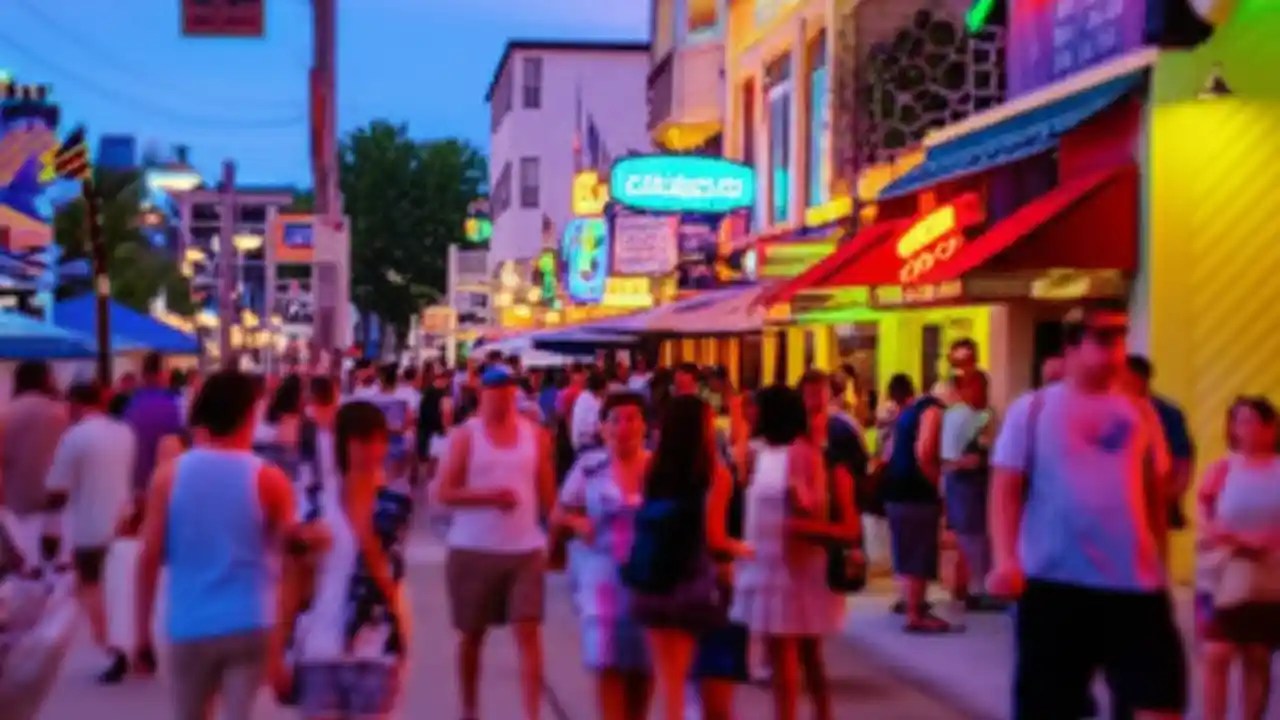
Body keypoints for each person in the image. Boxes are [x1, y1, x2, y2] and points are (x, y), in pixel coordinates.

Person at [989, 304, 1185, 720]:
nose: (1115, 349)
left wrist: (1159, 566)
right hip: (1054, 583)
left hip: (1132, 586)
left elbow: (1153, 496)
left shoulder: (1141, 412)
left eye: (1120, 337)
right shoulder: (1034, 409)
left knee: (1158, 703)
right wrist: (1006, 559)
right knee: (1049, 706)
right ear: (1071, 346)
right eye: (1103, 338)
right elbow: (1005, 489)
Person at [135, 370, 298, 720]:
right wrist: (286, 640)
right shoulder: (269, 480)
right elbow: (291, 562)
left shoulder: (168, 476)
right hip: (250, 620)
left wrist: (141, 632)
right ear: (250, 415)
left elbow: (148, 556)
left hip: (188, 622)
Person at [277, 401, 412, 720]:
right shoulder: (315, 505)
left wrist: (403, 652)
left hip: (374, 651)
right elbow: (292, 581)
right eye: (363, 440)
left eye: (380, 440)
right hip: (319, 650)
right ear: (343, 444)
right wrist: (277, 650)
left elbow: (390, 583)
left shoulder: (392, 506)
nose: (373, 449)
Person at [437, 364, 557, 720]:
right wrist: (489, 497)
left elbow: (548, 492)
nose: (503, 398)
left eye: (509, 390)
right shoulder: (466, 436)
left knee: (528, 630)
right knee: (472, 636)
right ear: (481, 395)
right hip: (473, 549)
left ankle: (531, 713)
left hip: (525, 549)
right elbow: (445, 492)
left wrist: (559, 533)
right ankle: (469, 709)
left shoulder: (535, 435)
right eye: (495, 391)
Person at [731, 384, 856, 720]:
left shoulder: (801, 452)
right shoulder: (764, 452)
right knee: (795, 654)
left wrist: (796, 511)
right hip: (768, 563)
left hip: (792, 566)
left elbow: (811, 507)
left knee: (795, 655)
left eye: (755, 408)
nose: (749, 414)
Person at [627, 395, 751, 720]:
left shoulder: (653, 467)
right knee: (700, 681)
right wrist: (743, 548)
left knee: (670, 684)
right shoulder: (715, 473)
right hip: (694, 584)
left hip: (654, 581)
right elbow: (714, 539)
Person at [552, 391, 653, 720]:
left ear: (644, 426)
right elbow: (559, 513)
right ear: (603, 427)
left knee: (642, 673)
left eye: (632, 418)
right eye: (616, 419)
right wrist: (576, 522)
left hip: (649, 582)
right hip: (603, 581)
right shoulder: (589, 467)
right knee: (608, 665)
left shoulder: (657, 468)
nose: (624, 426)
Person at [44, 381, 137, 683]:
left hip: (88, 527)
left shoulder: (74, 437)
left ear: (76, 403)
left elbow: (57, 488)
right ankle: (131, 647)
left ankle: (114, 650)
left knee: (93, 591)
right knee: (121, 593)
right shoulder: (124, 432)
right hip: (123, 524)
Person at [1196, 397, 1280, 720]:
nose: (1245, 428)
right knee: (1217, 653)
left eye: (1252, 420)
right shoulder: (1222, 468)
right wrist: (1234, 539)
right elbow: (1204, 515)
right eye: (1238, 420)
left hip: (1269, 576)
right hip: (1224, 573)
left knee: (1257, 655)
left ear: (1271, 426)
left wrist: (1265, 543)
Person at [882, 375, 952, 632]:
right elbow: (924, 452)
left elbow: (889, 452)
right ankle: (915, 613)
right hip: (915, 490)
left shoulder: (906, 413)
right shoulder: (932, 409)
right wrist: (937, 486)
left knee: (907, 547)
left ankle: (911, 602)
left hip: (896, 489)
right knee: (919, 550)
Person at [940, 371, 1002, 612]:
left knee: (978, 539)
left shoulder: (983, 416)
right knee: (972, 539)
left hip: (976, 487)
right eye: (975, 387)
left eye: (983, 388)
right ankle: (977, 589)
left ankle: (976, 588)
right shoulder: (963, 418)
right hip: (965, 487)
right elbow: (952, 458)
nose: (980, 393)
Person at [0, 360, 69, 561]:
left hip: (17, 502)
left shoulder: (7, 414)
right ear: (46, 379)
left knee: (24, 563)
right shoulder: (60, 412)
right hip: (56, 499)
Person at [1124, 355, 1195, 530]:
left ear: (1140, 379)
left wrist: (1168, 496)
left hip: (1155, 503)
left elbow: (1183, 461)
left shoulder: (1167, 414)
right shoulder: (1111, 410)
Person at [123, 352, 183, 508]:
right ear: (162, 374)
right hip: (166, 487)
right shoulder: (175, 405)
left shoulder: (129, 405)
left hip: (134, 487)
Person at [367, 364, 416, 495]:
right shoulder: (402, 400)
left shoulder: (370, 401)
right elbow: (408, 424)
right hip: (397, 446)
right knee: (395, 485)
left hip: (375, 447)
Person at [571, 371, 608, 454]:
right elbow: (595, 430)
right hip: (586, 447)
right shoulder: (593, 402)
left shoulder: (582, 396)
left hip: (578, 445)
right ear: (601, 388)